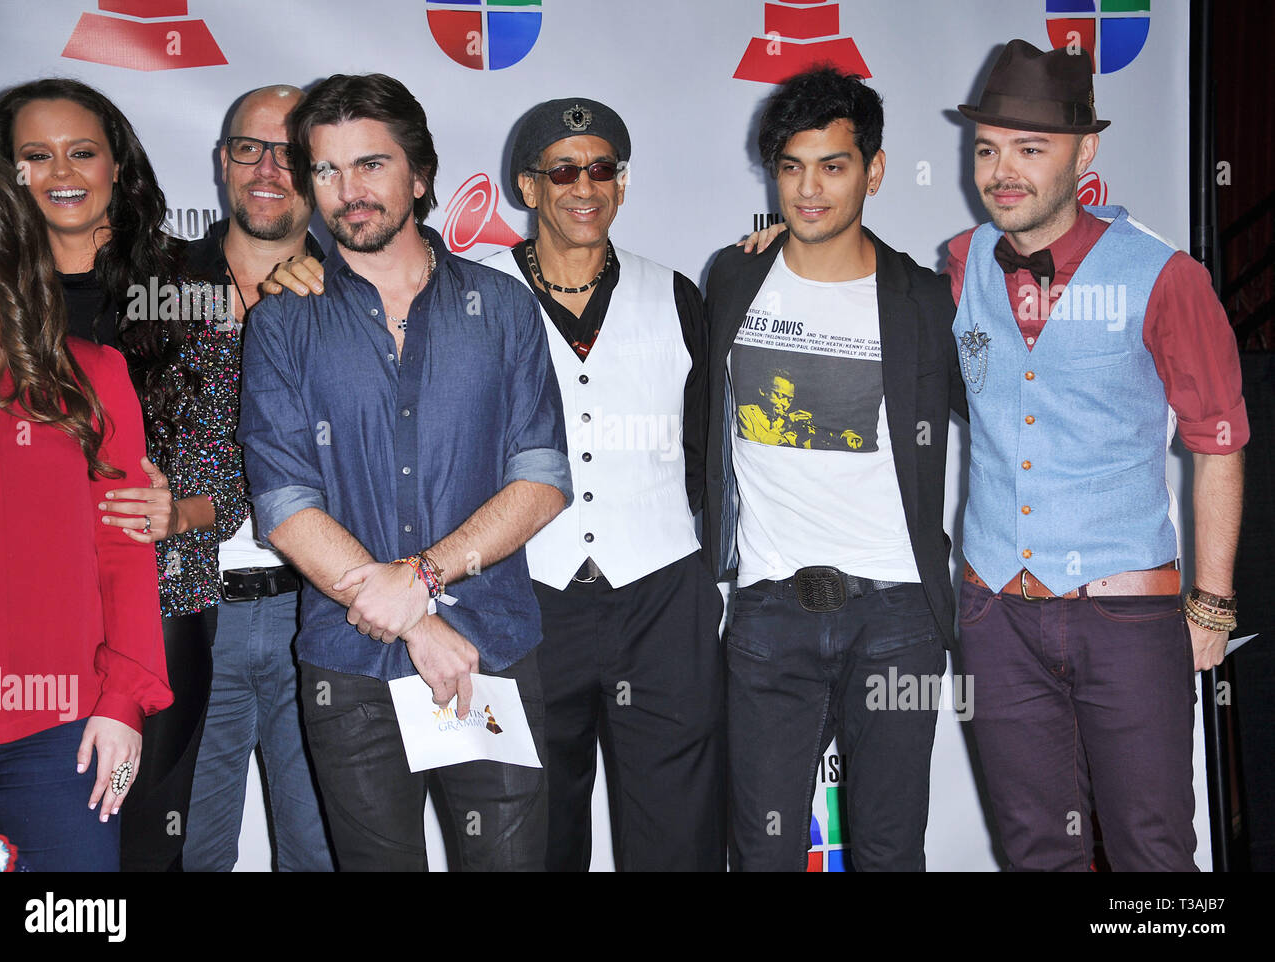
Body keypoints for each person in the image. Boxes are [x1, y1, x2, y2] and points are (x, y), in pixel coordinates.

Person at [237, 73, 572, 871]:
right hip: (350, 666)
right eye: (326, 171)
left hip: (487, 649)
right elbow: (282, 501)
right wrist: (415, 616)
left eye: (371, 166)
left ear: (419, 176)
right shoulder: (283, 321)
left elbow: (542, 477)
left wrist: (424, 576)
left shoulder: (504, 307)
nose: (349, 192)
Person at [947, 39, 1246, 871]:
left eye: (1030, 149)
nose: (1002, 171)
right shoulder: (962, 263)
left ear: (1086, 154)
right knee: (1036, 851)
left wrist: (1213, 605)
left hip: (1127, 614)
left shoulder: (1167, 277)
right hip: (994, 611)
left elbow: (1218, 442)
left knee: (1152, 853)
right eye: (987, 149)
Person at [0, 79, 248, 871]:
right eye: (35, 155)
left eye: (82, 150)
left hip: (154, 614)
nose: (61, 170)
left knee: (136, 850)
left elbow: (241, 478)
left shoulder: (188, 290)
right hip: (21, 632)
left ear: (118, 166)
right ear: (5, 175)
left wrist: (180, 513)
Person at [704, 68, 965, 871]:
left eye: (833, 165)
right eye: (791, 167)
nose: (808, 189)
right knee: (762, 850)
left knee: (891, 849)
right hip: (767, 613)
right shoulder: (734, 277)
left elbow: (1000, 413)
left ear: (874, 171)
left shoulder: (925, 298)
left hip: (900, 620)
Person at [473, 97, 724, 871]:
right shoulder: (469, 296)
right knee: (537, 835)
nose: (586, 186)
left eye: (603, 169)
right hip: (526, 598)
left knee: (677, 837)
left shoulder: (677, 294)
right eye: (564, 170)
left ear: (621, 184)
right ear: (527, 186)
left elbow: (703, 450)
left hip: (661, 601)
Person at [0, 144, 173, 871]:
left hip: (65, 729)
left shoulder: (91, 376)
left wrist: (124, 702)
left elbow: (125, 552)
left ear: (8, 241)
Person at [180, 85, 334, 873]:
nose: (269, 168)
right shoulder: (154, 287)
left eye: (291, 153)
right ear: (222, 162)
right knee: (187, 853)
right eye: (251, 148)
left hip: (323, 613)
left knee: (322, 853)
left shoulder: (363, 291)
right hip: (189, 614)